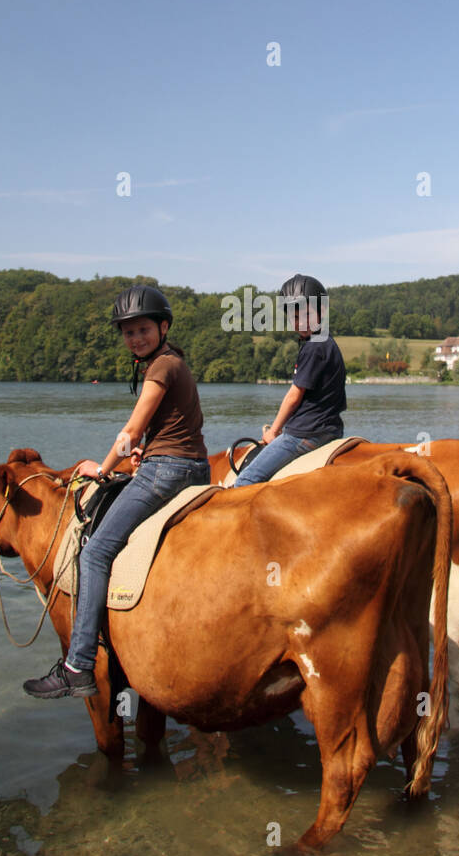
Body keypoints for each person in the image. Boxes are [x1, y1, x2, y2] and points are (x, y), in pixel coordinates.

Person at [24, 285, 210, 699]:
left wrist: (101, 470)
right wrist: (149, 446)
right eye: (128, 333)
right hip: (188, 465)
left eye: (143, 329)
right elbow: (169, 425)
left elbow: (130, 429)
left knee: (95, 552)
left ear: (163, 327)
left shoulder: (160, 367)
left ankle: (79, 665)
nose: (135, 338)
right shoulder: (171, 361)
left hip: (168, 471)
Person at [233, 273, 346, 488]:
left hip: (306, 432)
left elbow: (294, 396)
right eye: (294, 317)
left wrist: (273, 432)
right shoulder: (327, 341)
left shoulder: (313, 346)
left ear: (321, 311)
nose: (300, 322)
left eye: (306, 314)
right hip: (331, 428)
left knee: (245, 480)